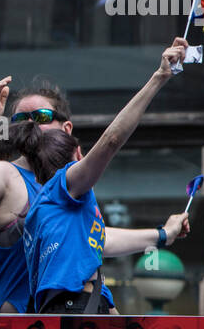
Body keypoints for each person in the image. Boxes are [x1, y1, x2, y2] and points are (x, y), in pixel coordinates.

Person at [0, 77, 188, 314]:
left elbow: (94, 238)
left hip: (72, 321)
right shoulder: (5, 174)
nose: (30, 125)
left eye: (42, 117)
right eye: (20, 119)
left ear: (66, 129)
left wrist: (162, 234)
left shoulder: (68, 183)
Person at [12, 43, 192, 312]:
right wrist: (159, 77)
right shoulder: (66, 185)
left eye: (40, 117)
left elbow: (99, 242)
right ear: (77, 154)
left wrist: (164, 234)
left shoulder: (39, 213)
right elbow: (111, 140)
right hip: (76, 309)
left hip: (65, 312)